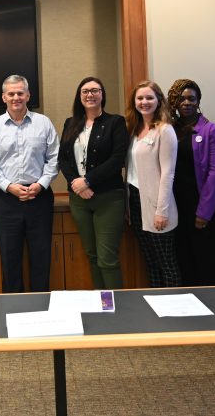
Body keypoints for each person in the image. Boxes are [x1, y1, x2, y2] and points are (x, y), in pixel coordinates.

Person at [0, 75, 59, 293]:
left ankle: (41, 305)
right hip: (6, 200)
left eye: (20, 93)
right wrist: (8, 186)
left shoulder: (44, 123)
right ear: (3, 97)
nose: (16, 97)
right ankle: (12, 307)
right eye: (11, 93)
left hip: (39, 198)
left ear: (28, 95)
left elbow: (54, 158)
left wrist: (41, 184)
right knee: (9, 258)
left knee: (41, 257)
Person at [58, 76, 129, 289]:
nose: (90, 94)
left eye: (95, 90)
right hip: (79, 199)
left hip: (108, 198)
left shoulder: (115, 122)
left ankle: (115, 305)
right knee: (92, 255)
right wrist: (76, 184)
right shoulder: (71, 123)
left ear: (102, 95)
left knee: (107, 258)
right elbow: (63, 159)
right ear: (79, 96)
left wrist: (88, 181)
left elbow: (117, 159)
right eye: (85, 91)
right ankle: (101, 301)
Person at [167, 78, 215, 286]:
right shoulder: (169, 130)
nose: (186, 103)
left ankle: (214, 303)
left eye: (191, 98)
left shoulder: (211, 130)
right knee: (184, 260)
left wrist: (204, 212)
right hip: (178, 205)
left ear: (198, 101)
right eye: (181, 99)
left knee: (207, 262)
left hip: (203, 206)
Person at [125, 80, 180, 288]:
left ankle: (173, 304)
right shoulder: (133, 130)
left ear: (159, 101)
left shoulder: (164, 130)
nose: (144, 102)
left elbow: (168, 173)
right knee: (150, 261)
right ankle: (157, 302)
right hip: (135, 202)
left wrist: (161, 211)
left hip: (157, 204)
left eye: (149, 97)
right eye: (140, 98)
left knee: (166, 263)